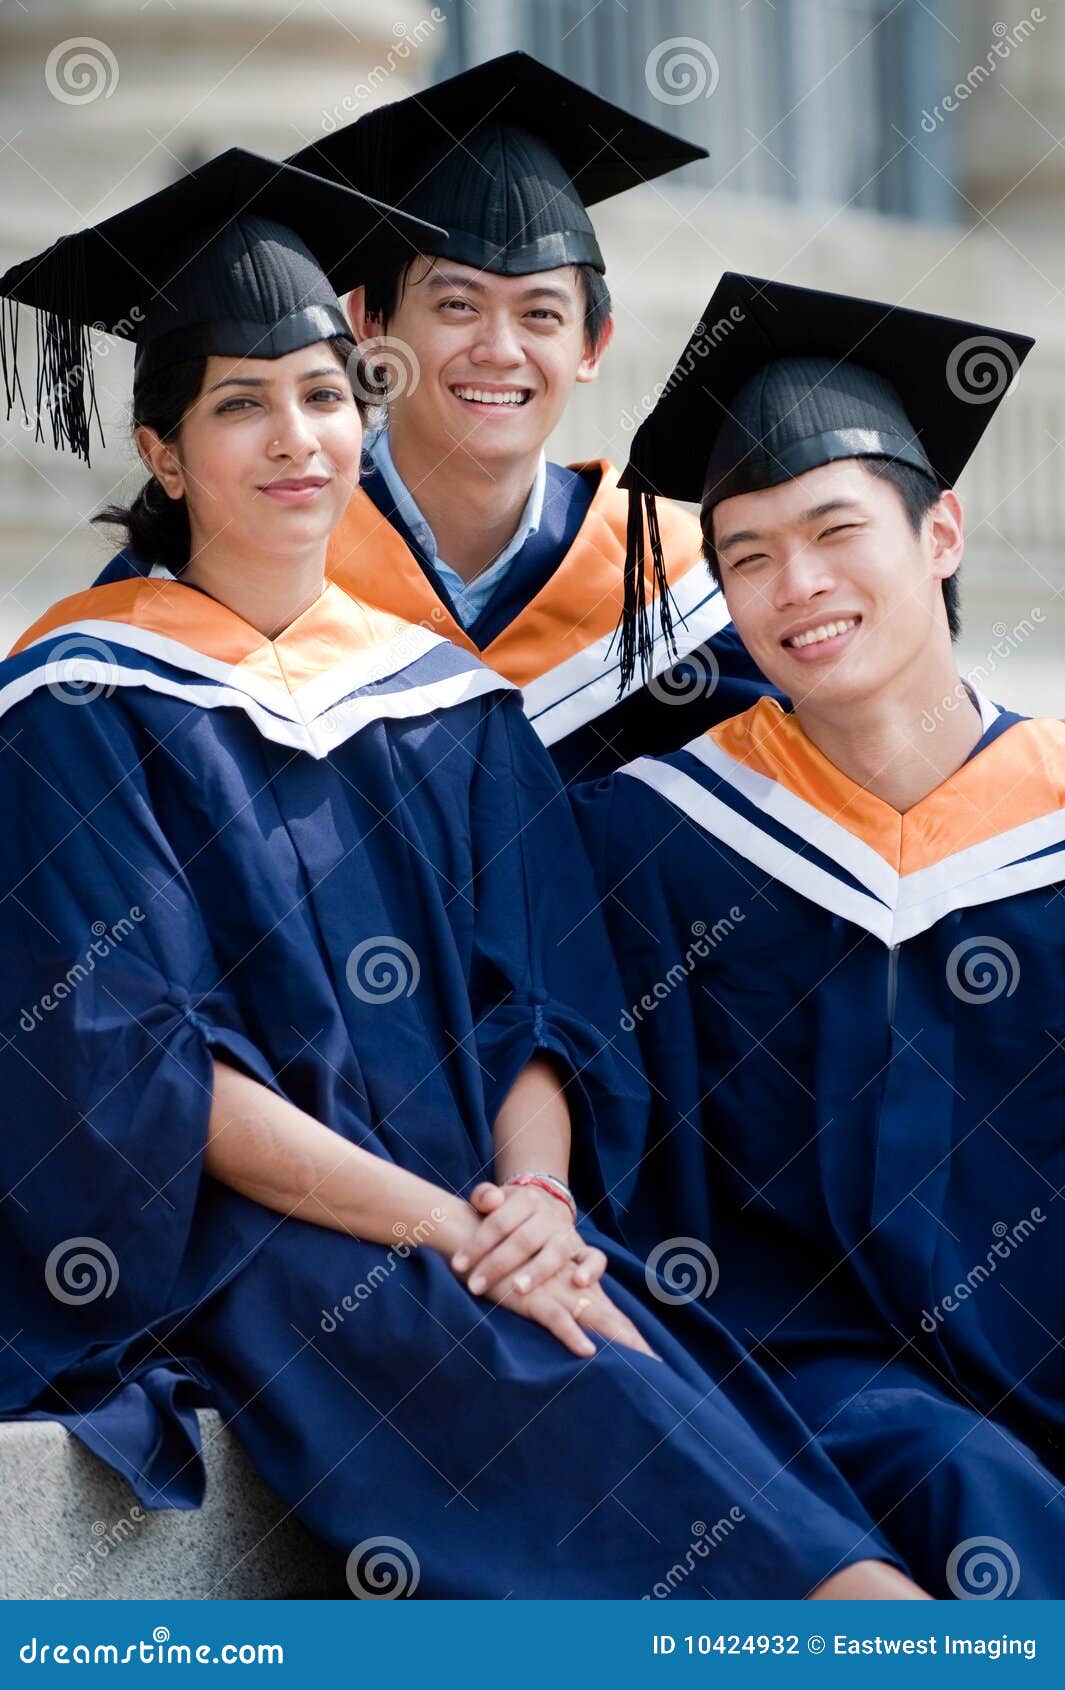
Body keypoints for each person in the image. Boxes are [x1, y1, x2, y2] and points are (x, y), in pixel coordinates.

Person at [0, 169, 921, 1599]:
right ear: (161, 453)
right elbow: (134, 1064)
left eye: (322, 395)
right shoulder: (79, 702)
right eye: (239, 404)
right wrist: (448, 1226)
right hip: (250, 1235)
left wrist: (538, 1206)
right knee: (560, 1380)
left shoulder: (442, 702)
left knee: (648, 1353)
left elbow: (543, 1000)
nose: (296, 438)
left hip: (487, 1211)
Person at [573, 270, 1065, 1598]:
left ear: (942, 533)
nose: (797, 585)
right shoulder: (658, 841)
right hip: (816, 1388)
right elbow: (634, 1187)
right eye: (746, 555)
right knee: (971, 1488)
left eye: (835, 529)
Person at [93, 52, 778, 783]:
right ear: (370, 325)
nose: (499, 349)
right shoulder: (232, 555)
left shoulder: (674, 587)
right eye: (456, 305)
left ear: (591, 346)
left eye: (541, 315)